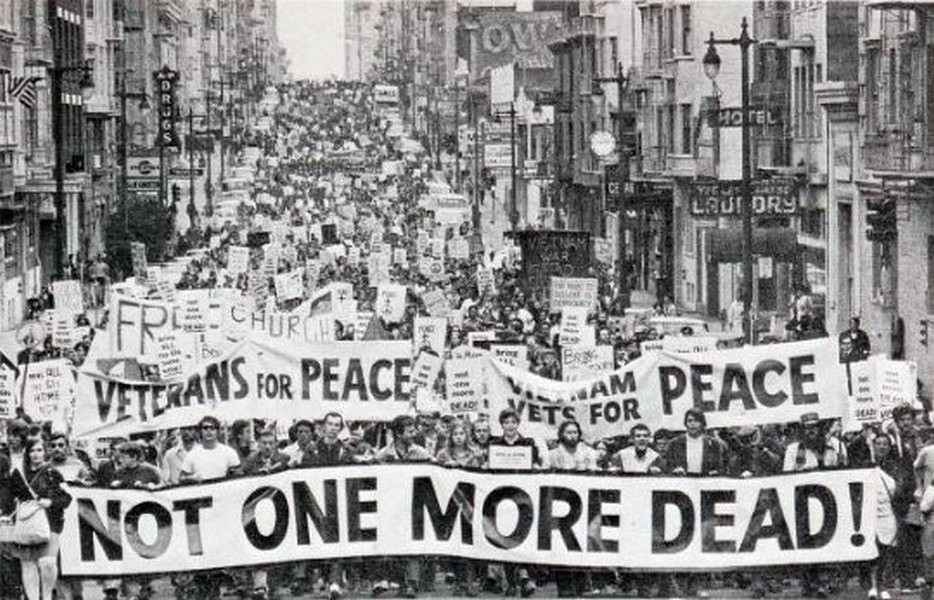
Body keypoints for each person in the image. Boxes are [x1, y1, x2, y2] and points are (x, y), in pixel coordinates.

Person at [8, 438, 73, 600]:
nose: (36, 454)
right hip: (26, 522)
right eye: (32, 450)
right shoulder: (19, 474)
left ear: (45, 452)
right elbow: (10, 496)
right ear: (27, 453)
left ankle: (47, 596)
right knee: (28, 564)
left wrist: (50, 502)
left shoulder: (53, 473)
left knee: (48, 563)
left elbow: (67, 498)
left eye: (39, 450)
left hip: (51, 521)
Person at [374, 416, 429, 598]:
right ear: (398, 433)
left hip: (414, 504)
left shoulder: (420, 452)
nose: (413, 433)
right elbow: (371, 469)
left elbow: (435, 466)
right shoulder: (384, 454)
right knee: (395, 543)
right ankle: (399, 581)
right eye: (409, 430)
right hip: (392, 505)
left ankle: (412, 583)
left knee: (412, 543)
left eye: (414, 429)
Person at [664, 408, 728, 476]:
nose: (692, 424)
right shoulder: (674, 443)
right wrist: (675, 470)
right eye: (690, 421)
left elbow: (720, 467)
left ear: (702, 424)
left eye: (696, 421)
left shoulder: (713, 443)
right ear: (685, 423)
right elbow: (668, 467)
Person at [179, 416, 241, 482]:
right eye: (205, 428)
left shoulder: (229, 452)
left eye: (212, 428)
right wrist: (191, 478)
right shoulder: (192, 454)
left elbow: (238, 477)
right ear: (200, 431)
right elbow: (181, 478)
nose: (209, 431)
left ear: (217, 431)